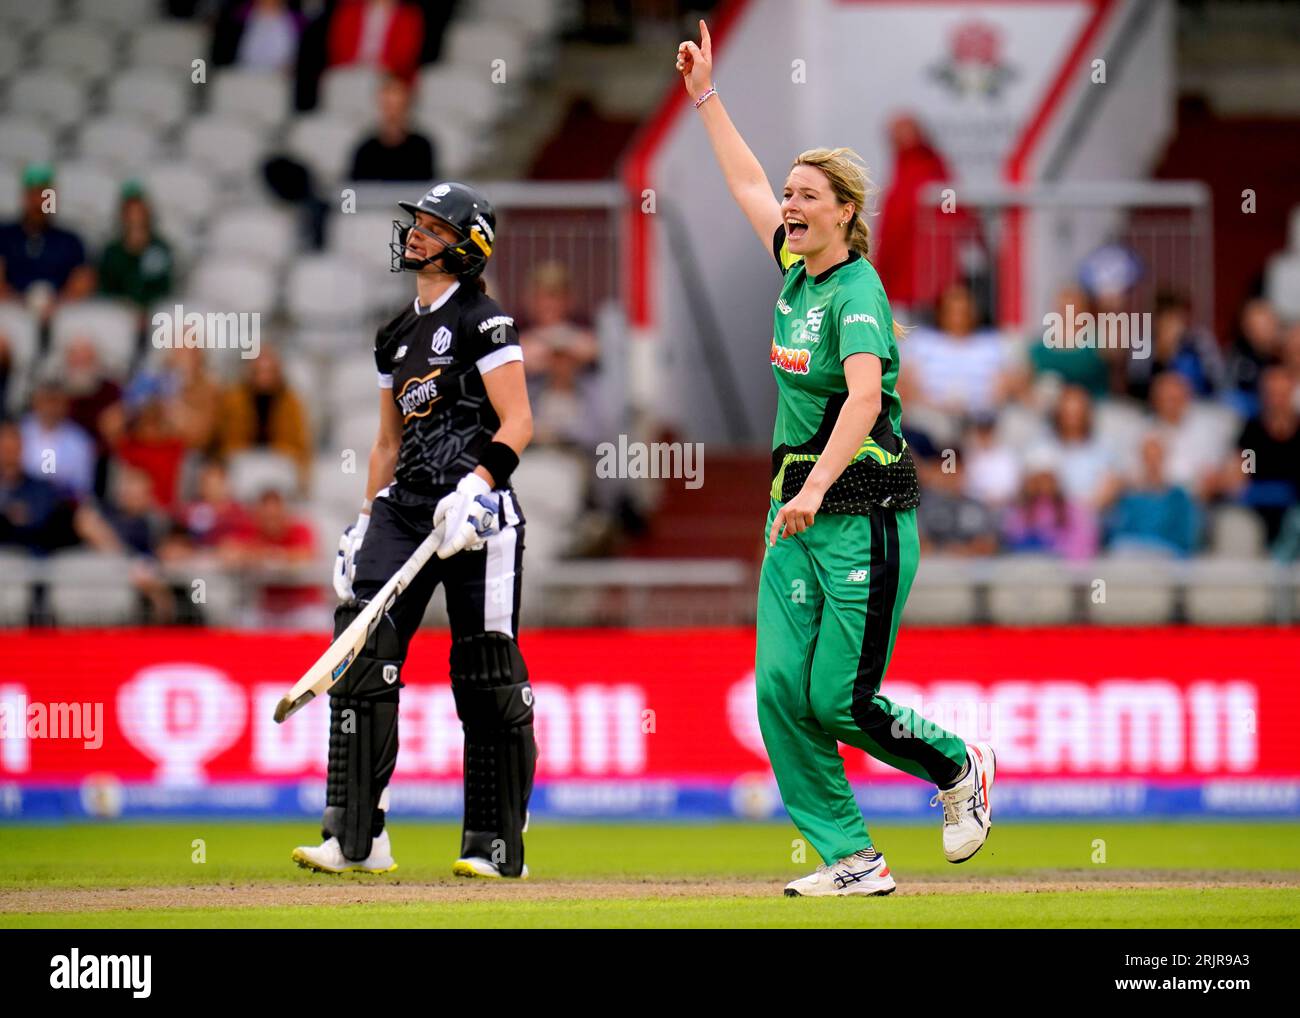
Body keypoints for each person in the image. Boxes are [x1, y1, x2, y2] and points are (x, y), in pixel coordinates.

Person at [676, 20, 994, 899]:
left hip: (862, 515)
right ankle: (852, 858)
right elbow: (742, 177)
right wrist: (706, 96)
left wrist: (814, 488)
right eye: (789, 193)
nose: (788, 202)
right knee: (781, 692)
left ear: (845, 211)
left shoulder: (857, 290)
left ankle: (959, 764)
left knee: (839, 704)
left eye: (807, 194)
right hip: (796, 515)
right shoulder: (792, 266)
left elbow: (861, 402)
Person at [292, 181, 537, 880]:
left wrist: (478, 486)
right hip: (404, 510)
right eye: (417, 225)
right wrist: (366, 517)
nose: (416, 235)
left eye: (432, 227)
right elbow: (386, 443)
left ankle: (493, 843)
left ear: (467, 245)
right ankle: (356, 838)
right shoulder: (393, 335)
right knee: (360, 655)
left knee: (485, 675)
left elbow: (518, 421)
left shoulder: (486, 323)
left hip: (477, 517)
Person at [348, 74, 437, 182]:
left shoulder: (421, 147)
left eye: (396, 96)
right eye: (387, 101)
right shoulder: (365, 150)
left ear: (407, 101)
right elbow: (356, 190)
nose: (391, 107)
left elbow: (424, 187)